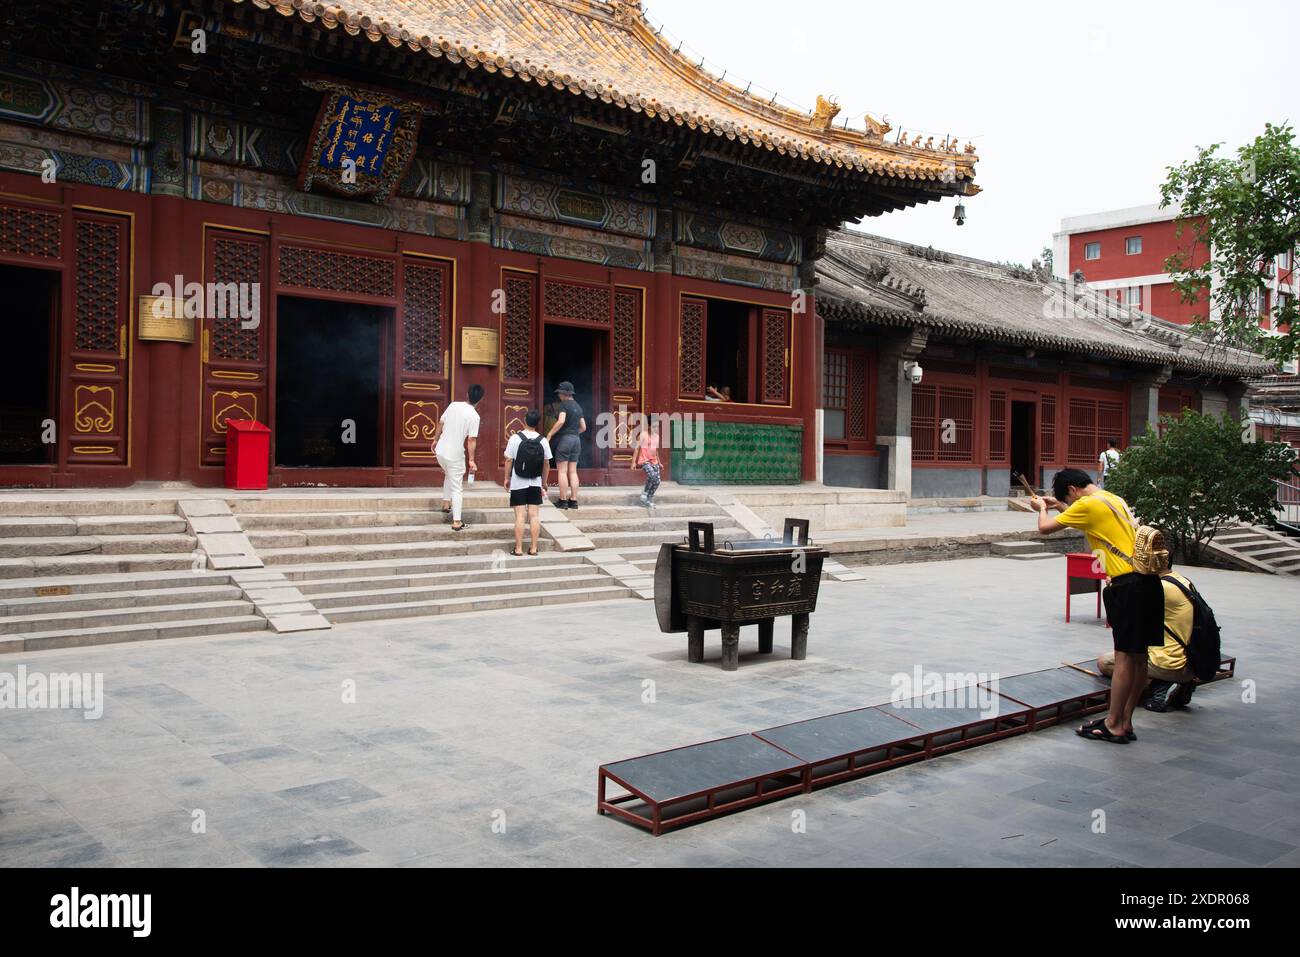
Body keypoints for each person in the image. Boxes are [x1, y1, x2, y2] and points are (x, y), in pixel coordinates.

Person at [1029, 468, 1164, 744]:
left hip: (1126, 586)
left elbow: (1044, 529)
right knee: (1139, 658)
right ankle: (1125, 721)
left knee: (1124, 657)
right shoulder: (1113, 499)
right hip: (1148, 582)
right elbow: (1091, 519)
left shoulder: (1087, 505)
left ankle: (1112, 724)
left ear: (1072, 490)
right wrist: (1062, 506)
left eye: (1068, 498)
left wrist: (1041, 508)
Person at [1097, 562, 1198, 712]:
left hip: (1168, 663)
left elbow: (1123, 623)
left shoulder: (1158, 588)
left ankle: (1162, 684)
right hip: (1190, 659)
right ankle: (1175, 681)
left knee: (1107, 662)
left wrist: (1115, 589)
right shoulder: (1182, 581)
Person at [432, 383, 484, 531]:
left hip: (441, 452)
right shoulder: (474, 416)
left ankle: (446, 503)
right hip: (454, 455)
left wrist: (435, 440)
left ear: (467, 395)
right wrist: (471, 460)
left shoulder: (453, 405)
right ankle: (457, 521)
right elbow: (471, 440)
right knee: (457, 487)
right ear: (480, 400)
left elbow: (441, 423)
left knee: (449, 474)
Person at [502, 409, 551, 556]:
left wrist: (506, 478)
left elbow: (509, 459)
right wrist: (544, 482)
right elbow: (547, 463)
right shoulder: (543, 440)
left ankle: (518, 549)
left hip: (518, 482)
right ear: (538, 423)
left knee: (520, 516)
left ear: (525, 420)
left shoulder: (515, 438)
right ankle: (534, 548)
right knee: (534, 515)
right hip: (535, 482)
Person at [545, 381, 585, 510]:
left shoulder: (564, 405)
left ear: (564, 394)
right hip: (576, 441)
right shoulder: (578, 407)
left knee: (562, 471)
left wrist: (550, 434)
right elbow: (583, 427)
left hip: (565, 441)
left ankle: (562, 500)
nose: (559, 396)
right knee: (573, 471)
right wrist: (574, 433)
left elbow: (561, 421)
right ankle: (573, 500)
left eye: (560, 393)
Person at [632, 420, 661, 508]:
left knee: (657, 481)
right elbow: (637, 449)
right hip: (644, 461)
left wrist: (659, 462)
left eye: (657, 427)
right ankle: (645, 493)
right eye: (654, 426)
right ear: (649, 426)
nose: (656, 429)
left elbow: (656, 450)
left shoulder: (657, 437)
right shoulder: (643, 435)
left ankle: (648, 499)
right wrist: (633, 462)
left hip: (654, 461)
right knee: (653, 476)